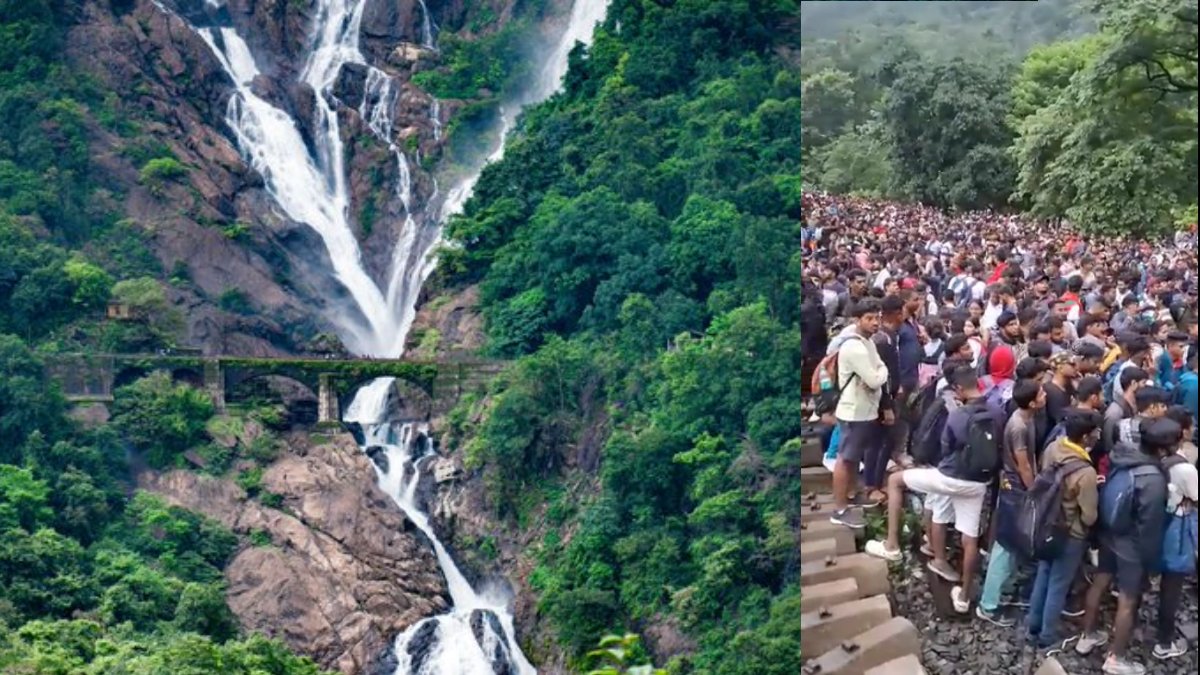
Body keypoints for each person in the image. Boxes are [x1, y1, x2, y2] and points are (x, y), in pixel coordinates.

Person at [865, 369, 1003, 614]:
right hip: (979, 484)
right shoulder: (997, 412)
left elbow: (946, 447)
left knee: (896, 480)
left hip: (950, 476)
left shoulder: (958, 415)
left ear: (959, 390)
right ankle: (963, 596)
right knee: (970, 538)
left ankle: (892, 545)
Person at [1075, 418, 1173, 675]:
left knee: (1100, 583)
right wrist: (1150, 563)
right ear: (1163, 449)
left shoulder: (1122, 456)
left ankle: (1088, 635)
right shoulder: (1152, 479)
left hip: (1110, 532)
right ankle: (1116, 658)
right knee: (1128, 601)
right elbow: (1150, 527)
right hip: (1132, 545)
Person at [1024, 411, 1101, 651]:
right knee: (1059, 584)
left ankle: (1031, 626)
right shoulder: (1085, 472)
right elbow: (1089, 515)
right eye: (1095, 432)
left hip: (1047, 525)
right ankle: (1047, 636)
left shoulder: (1054, 448)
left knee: (1044, 575)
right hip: (1070, 534)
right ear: (1086, 436)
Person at [976, 378, 1045, 626]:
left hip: (1017, 486)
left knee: (1014, 544)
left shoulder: (1027, 418)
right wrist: (1034, 491)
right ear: (1031, 401)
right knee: (1005, 546)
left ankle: (1003, 590)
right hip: (1016, 489)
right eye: (1041, 392)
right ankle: (988, 604)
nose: (1045, 395)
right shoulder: (1018, 426)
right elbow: (1023, 464)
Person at [830, 300, 890, 530]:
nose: (875, 322)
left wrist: (878, 371)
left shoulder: (867, 342)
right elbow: (876, 377)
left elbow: (878, 370)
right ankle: (840, 509)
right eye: (869, 318)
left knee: (854, 457)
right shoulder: (854, 347)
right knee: (845, 459)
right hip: (854, 412)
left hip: (864, 411)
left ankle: (852, 495)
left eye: (877, 317)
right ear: (857, 320)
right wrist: (880, 372)